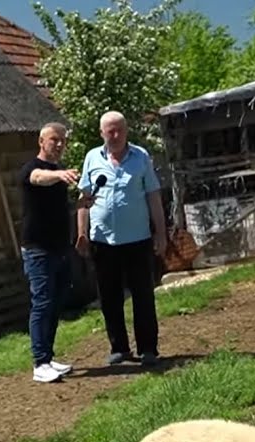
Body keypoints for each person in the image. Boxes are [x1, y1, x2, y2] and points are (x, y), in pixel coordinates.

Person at [76, 110, 169, 367]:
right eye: (110, 130)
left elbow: (153, 196)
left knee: (143, 295)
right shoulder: (92, 158)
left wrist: (161, 233)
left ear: (127, 131)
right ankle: (119, 348)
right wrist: (81, 234)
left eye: (119, 130)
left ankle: (148, 348)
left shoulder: (141, 157)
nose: (115, 135)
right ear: (101, 133)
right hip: (103, 241)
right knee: (109, 296)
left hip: (137, 238)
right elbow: (84, 199)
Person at [19, 122, 80, 384]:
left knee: (56, 302)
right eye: (54, 139)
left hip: (60, 248)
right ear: (41, 142)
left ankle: (48, 357)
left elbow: (58, 207)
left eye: (62, 141)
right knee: (42, 303)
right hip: (38, 250)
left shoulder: (58, 173)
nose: (59, 144)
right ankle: (39, 363)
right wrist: (58, 175)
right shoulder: (32, 169)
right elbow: (37, 179)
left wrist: (80, 204)